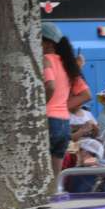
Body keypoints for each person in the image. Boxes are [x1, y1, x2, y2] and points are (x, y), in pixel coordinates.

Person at [42, 22, 90, 176]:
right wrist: (62, 105)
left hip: (49, 121)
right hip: (64, 123)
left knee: (42, 173)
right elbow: (86, 95)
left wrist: (42, 108)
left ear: (48, 43)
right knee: (56, 175)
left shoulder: (45, 59)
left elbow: (50, 86)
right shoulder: (67, 64)